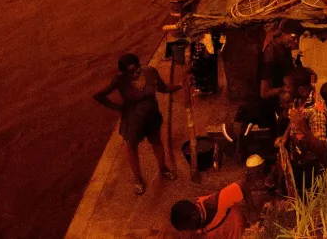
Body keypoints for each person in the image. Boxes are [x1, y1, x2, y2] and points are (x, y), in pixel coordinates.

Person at [93, 53, 182, 194]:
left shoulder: (150, 72)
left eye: (137, 70)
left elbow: (163, 88)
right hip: (133, 120)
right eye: (131, 72)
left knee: (156, 141)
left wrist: (180, 86)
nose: (135, 74)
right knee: (132, 147)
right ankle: (138, 180)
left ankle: (163, 168)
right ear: (123, 72)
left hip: (152, 116)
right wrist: (117, 107)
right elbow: (99, 95)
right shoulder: (119, 80)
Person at [282, 68, 327, 191]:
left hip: (312, 169)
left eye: (288, 87)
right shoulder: (299, 99)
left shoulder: (316, 110)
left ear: (301, 90)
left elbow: (321, 148)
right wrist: (284, 138)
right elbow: (294, 120)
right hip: (299, 161)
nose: (285, 89)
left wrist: (302, 125)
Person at [170, 179, 249, 238]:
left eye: (188, 227)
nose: (190, 230)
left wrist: (253, 212)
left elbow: (245, 185)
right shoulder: (198, 219)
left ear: (194, 216)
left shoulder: (218, 201)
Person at [260, 21, 303, 124]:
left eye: (298, 38)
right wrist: (284, 89)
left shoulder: (284, 48)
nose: (296, 41)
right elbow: (264, 93)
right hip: (275, 106)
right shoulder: (270, 56)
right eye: (293, 36)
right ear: (282, 33)